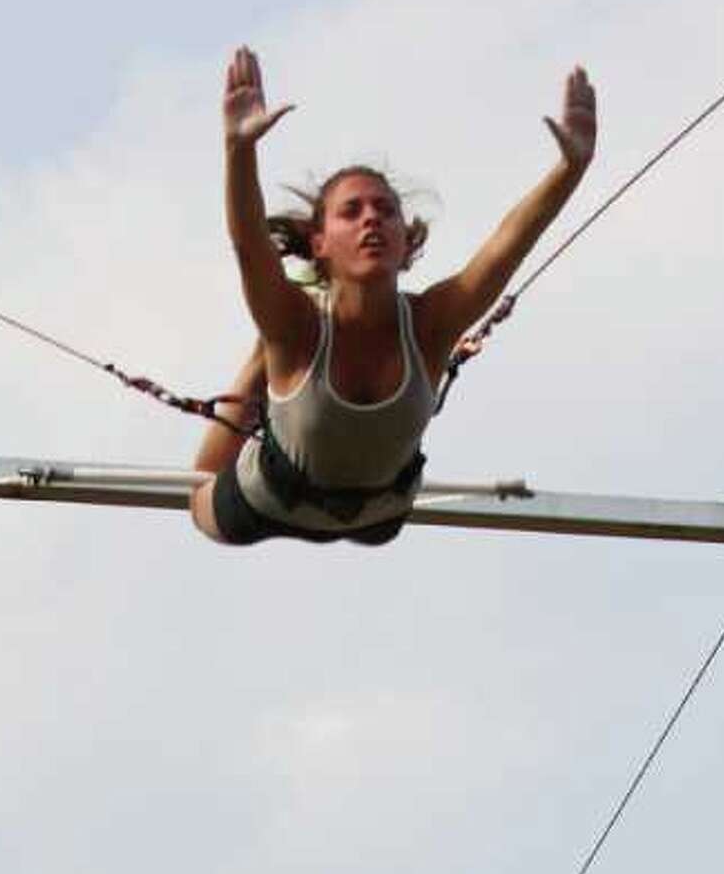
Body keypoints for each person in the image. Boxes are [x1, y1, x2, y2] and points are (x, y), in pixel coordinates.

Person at [190, 47, 597, 546]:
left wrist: (570, 169)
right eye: (352, 211)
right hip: (269, 501)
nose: (371, 220)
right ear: (318, 243)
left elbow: (506, 245)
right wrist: (239, 150)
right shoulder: (298, 326)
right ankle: (262, 365)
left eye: (386, 210)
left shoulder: (430, 324)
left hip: (379, 513)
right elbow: (250, 245)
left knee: (275, 339)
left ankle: (265, 362)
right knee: (199, 492)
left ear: (406, 239)